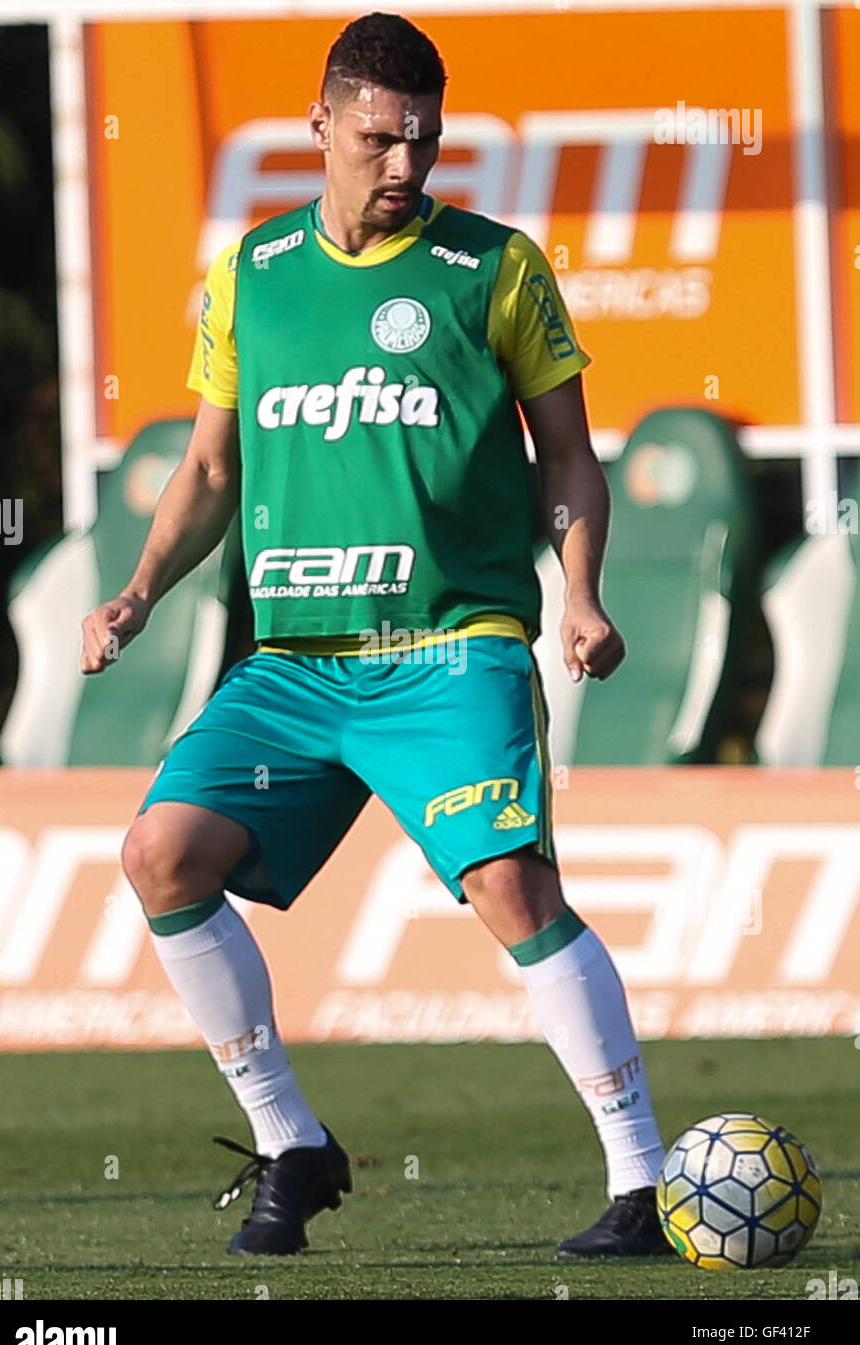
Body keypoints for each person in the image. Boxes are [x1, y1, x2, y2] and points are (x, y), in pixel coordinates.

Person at [80, 11, 670, 1260]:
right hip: (293, 665)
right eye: (379, 140)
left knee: (512, 885)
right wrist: (138, 591)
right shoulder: (251, 274)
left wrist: (579, 590)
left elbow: (565, 456)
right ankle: (292, 1139)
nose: (406, 166)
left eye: (425, 143)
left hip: (448, 647)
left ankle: (646, 1181)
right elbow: (207, 467)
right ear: (321, 127)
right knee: (159, 856)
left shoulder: (493, 269)